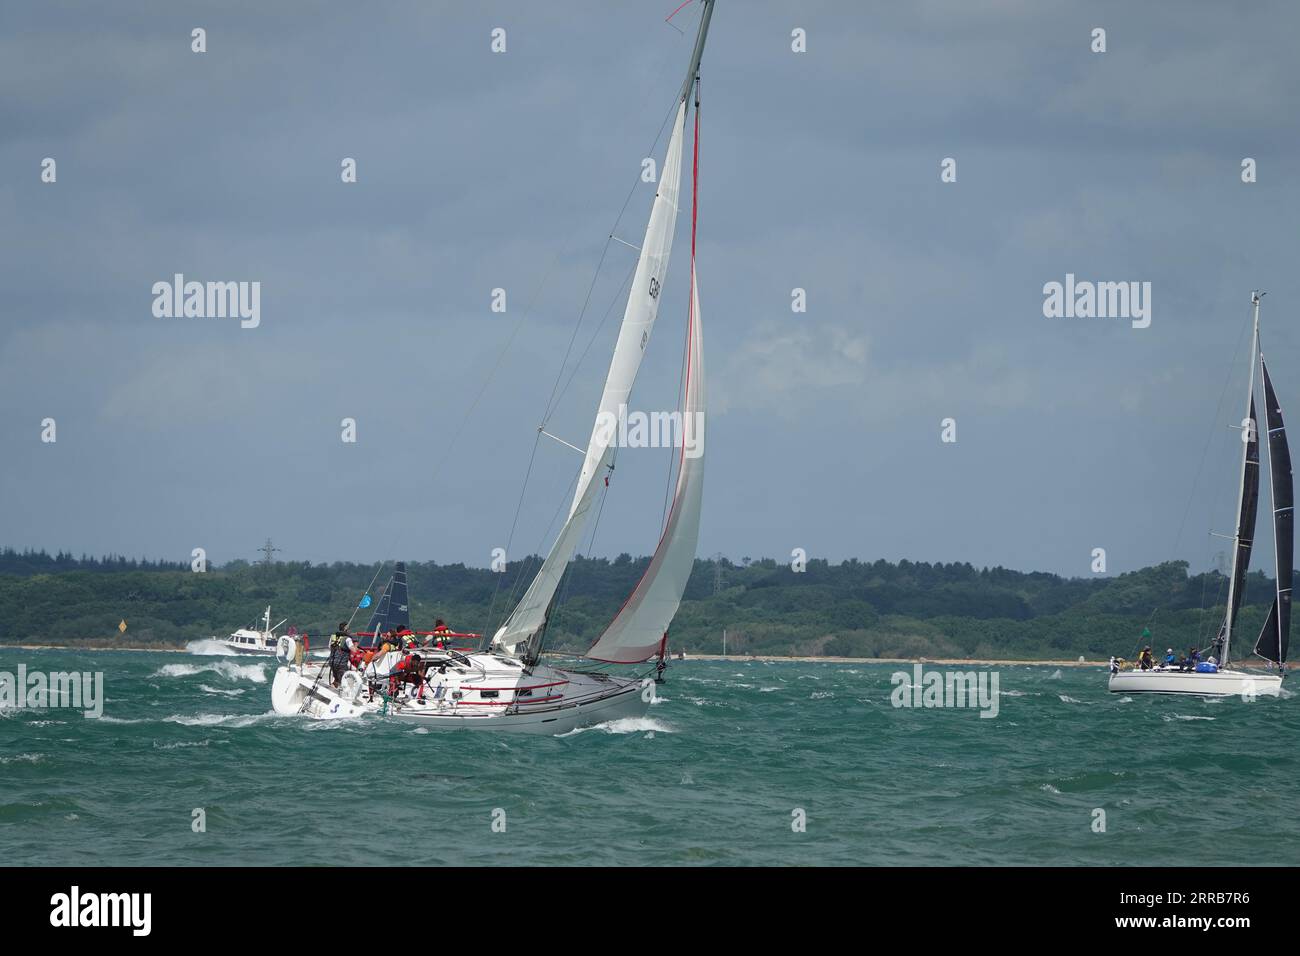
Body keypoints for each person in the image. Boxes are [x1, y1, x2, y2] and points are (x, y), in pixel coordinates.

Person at [327, 622, 354, 689]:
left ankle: (332, 688)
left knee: (336, 679)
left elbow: (330, 647)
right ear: (346, 629)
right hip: (341, 663)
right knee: (346, 679)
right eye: (349, 629)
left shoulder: (333, 637)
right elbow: (353, 650)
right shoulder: (347, 639)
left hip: (332, 661)